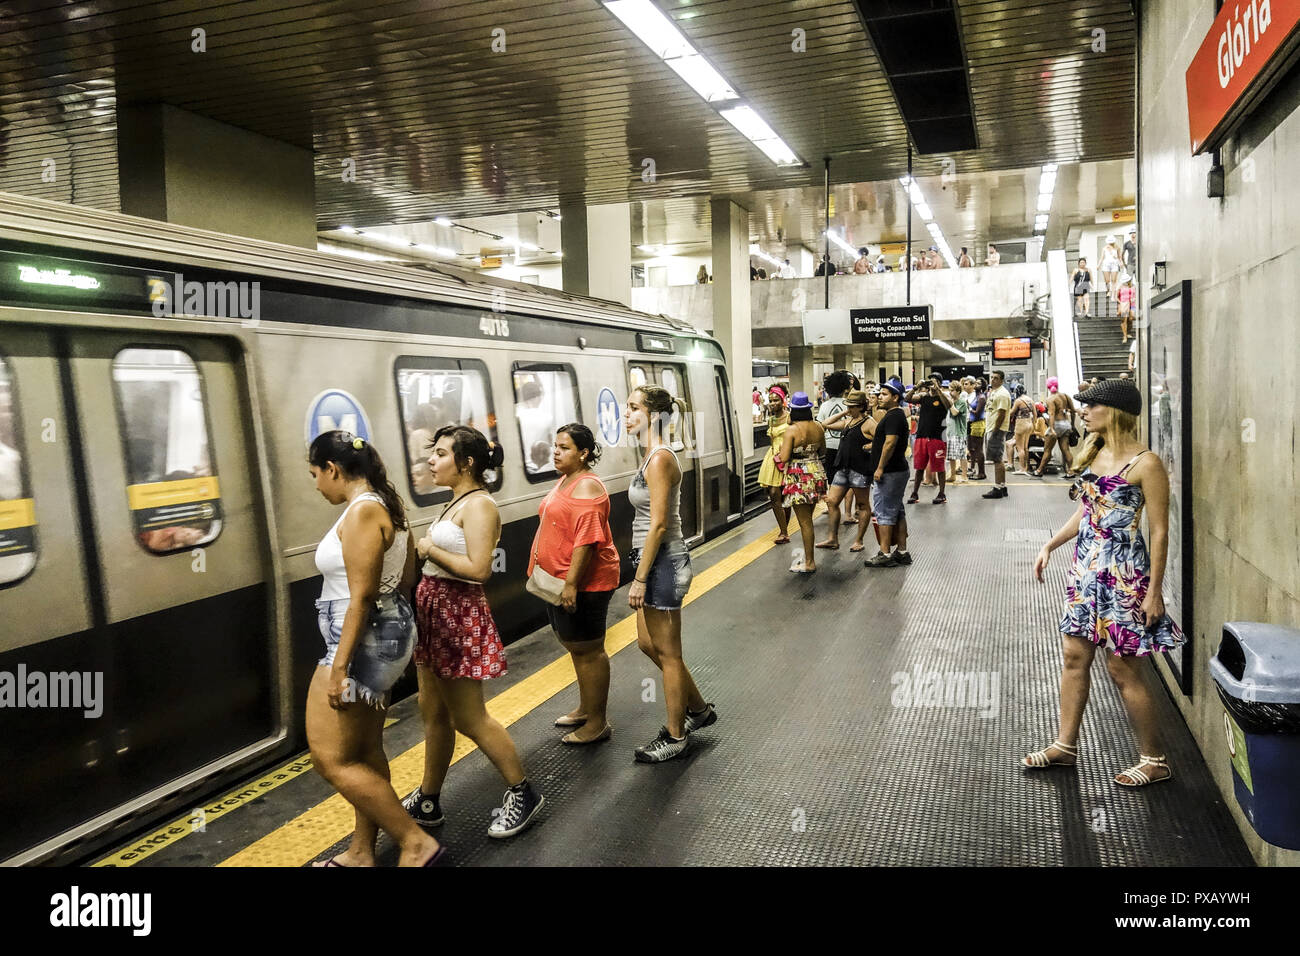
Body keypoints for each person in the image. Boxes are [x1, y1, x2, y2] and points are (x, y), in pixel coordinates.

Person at [1024, 378, 1184, 787]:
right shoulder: (1093, 454)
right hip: (1086, 573)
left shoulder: (1146, 463)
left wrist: (1154, 593)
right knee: (1074, 657)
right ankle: (1065, 745)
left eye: (1091, 405)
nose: (1083, 410)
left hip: (1125, 577)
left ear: (1114, 411)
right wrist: (1051, 544)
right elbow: (1087, 511)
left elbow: (1161, 531)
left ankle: (1155, 759)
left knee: (1122, 668)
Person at [306, 431, 442, 867]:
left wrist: (340, 668)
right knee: (364, 751)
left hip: (359, 641)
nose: (316, 485)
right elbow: (404, 580)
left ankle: (414, 842)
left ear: (333, 469)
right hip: (380, 634)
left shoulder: (364, 511)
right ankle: (362, 851)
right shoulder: (386, 506)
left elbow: (362, 596)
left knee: (330, 758)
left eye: (315, 474)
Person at [403, 426, 544, 838]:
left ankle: (523, 792)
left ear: (466, 463)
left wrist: (429, 549)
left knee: (470, 717)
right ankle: (428, 799)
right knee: (433, 713)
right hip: (435, 614)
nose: (431, 461)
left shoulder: (480, 505)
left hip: (456, 614)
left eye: (441, 454)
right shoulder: (456, 500)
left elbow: (480, 570)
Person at [624, 385, 715, 762]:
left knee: (669, 653)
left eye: (633, 407)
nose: (626, 414)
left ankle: (676, 734)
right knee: (649, 644)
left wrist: (640, 578)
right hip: (652, 559)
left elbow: (660, 524)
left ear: (654, 415)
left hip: (663, 561)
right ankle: (699, 710)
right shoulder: (650, 455)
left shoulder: (660, 458)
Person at [531, 425, 620, 744]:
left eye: (564, 447)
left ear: (583, 453)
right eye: (555, 446)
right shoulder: (568, 479)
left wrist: (571, 584)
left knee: (589, 651)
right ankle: (586, 708)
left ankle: (597, 723)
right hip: (559, 580)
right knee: (576, 648)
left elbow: (587, 540)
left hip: (586, 584)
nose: (556, 452)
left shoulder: (587, 487)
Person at [816, 390, 876, 552]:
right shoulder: (848, 421)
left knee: (863, 505)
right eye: (847, 406)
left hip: (860, 469)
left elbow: (883, 440)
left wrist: (869, 446)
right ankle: (832, 539)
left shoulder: (869, 423)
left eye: (852, 407)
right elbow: (825, 424)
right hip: (843, 468)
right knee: (832, 501)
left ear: (861, 407)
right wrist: (844, 412)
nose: (848, 409)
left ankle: (859, 540)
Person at [775, 391, 827, 573]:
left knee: (805, 523)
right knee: (808, 520)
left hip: (799, 477)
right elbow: (822, 452)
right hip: (816, 473)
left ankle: (810, 562)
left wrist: (781, 450)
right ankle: (808, 559)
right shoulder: (818, 427)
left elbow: (784, 457)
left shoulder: (791, 430)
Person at [865, 378, 912, 568]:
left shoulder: (893, 416)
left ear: (895, 397)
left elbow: (890, 443)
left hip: (890, 472)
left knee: (884, 512)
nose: (880, 397)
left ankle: (885, 553)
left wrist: (880, 467)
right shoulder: (895, 415)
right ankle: (902, 552)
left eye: (884, 394)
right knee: (897, 511)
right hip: (898, 470)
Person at [905, 373, 952, 505]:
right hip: (922, 436)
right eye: (931, 381)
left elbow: (949, 405)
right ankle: (914, 493)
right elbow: (907, 398)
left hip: (938, 436)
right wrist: (916, 387)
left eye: (935, 381)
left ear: (940, 383)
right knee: (919, 467)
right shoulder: (923, 396)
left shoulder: (944, 396)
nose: (932, 383)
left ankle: (942, 494)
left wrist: (938, 390)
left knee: (939, 467)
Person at [757, 385, 792, 543]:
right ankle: (783, 531)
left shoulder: (790, 418)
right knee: (773, 494)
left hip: (787, 457)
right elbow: (772, 441)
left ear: (783, 400)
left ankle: (785, 530)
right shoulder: (770, 419)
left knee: (786, 495)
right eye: (770, 400)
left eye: (776, 400)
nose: (772, 403)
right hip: (773, 458)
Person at [817, 370, 852, 513]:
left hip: (829, 446)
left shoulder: (824, 405)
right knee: (848, 478)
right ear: (845, 388)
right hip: (846, 446)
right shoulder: (848, 405)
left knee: (831, 478)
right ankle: (848, 513)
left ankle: (831, 506)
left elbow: (820, 426)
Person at [1031, 377, 1077, 479]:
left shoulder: (1050, 399)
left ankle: (1039, 470)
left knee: (1047, 450)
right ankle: (1071, 471)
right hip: (1066, 424)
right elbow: (1073, 411)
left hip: (1056, 424)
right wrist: (1072, 425)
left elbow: (1051, 414)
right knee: (1065, 450)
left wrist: (1051, 428)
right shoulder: (1065, 396)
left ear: (1048, 386)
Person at [981, 370, 1012, 498]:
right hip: (991, 428)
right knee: (997, 459)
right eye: (992, 377)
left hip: (997, 429)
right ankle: (1002, 486)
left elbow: (1001, 414)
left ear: (1001, 380)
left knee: (997, 459)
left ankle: (998, 488)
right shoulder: (994, 392)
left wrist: (995, 430)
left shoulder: (1002, 394)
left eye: (996, 378)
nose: (993, 380)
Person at [945, 380, 970, 484]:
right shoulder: (952, 401)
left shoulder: (962, 402)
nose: (950, 393)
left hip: (959, 432)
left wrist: (950, 403)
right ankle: (953, 475)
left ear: (958, 391)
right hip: (951, 431)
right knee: (951, 456)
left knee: (961, 455)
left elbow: (955, 413)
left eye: (952, 390)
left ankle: (964, 476)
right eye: (949, 390)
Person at [1009, 387, 1037, 475]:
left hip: (1021, 424)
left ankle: (1022, 469)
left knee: (1020, 448)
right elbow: (1035, 415)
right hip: (1029, 423)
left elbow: (1011, 413)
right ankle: (1026, 467)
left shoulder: (1018, 401)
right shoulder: (1030, 400)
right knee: (1025, 448)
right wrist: (1034, 425)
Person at [967, 378, 988, 481]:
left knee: (978, 449)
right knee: (973, 448)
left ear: (982, 386)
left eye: (979, 383)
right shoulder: (976, 396)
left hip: (978, 423)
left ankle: (981, 473)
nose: (976, 384)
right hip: (973, 423)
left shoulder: (981, 397)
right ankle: (974, 469)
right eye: (975, 382)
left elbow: (977, 412)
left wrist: (969, 408)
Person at [1117, 276, 1136, 343]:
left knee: (1131, 319)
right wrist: (1120, 303)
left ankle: (1128, 332)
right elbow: (1116, 297)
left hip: (1132, 304)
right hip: (1124, 304)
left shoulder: (1133, 287)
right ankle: (1125, 336)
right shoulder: (1120, 287)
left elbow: (1135, 295)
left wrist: (1134, 299)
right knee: (1124, 320)